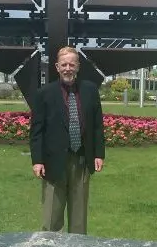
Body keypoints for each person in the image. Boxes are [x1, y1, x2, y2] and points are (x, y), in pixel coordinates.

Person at [30, 46, 105, 234]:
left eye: (72, 64)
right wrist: (37, 160)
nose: (68, 68)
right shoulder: (45, 94)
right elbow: (36, 131)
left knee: (79, 218)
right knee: (51, 217)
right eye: (64, 64)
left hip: (81, 159)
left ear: (78, 66)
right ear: (57, 67)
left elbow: (97, 126)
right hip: (53, 161)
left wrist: (99, 154)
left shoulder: (90, 90)